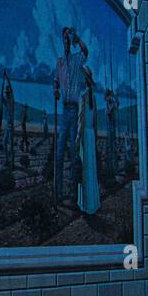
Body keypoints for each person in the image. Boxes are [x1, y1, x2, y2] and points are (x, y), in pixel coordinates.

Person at [52, 26, 88, 205]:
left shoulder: (76, 59)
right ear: (62, 41)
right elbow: (55, 80)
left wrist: (77, 37)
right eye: (64, 39)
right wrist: (55, 89)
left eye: (68, 40)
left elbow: (85, 51)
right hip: (64, 111)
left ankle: (74, 197)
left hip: (74, 110)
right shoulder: (59, 62)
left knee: (74, 155)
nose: (66, 42)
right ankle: (58, 195)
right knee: (59, 155)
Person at [77, 65, 100, 215]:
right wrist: (95, 135)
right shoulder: (93, 97)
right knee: (92, 169)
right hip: (91, 134)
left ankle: (85, 204)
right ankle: (92, 204)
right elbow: (96, 120)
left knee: (85, 168)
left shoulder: (83, 96)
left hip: (85, 134)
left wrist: (78, 137)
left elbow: (81, 119)